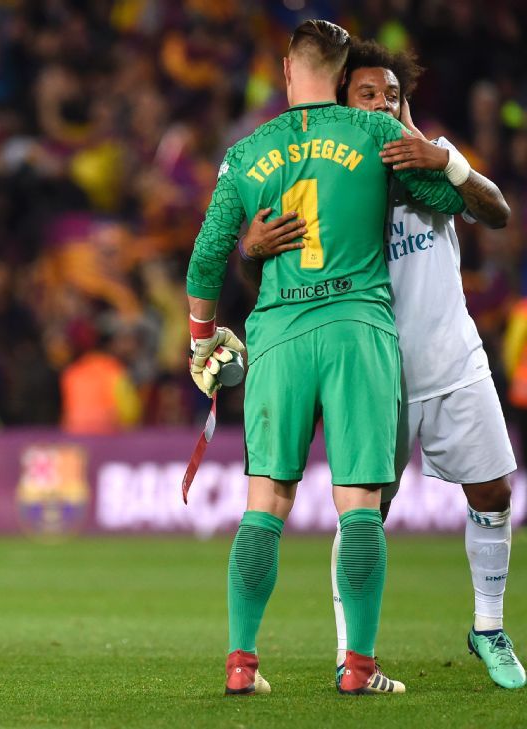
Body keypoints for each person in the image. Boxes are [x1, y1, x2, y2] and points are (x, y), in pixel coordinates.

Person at [185, 20, 465, 695]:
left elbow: (205, 258)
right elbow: (447, 199)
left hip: (279, 334)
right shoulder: (374, 132)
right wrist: (445, 163)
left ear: (289, 69)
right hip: (357, 329)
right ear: (343, 78)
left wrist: (201, 339)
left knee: (266, 501)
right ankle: (358, 667)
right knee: (359, 503)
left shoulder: (247, 152)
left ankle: (242, 664)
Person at [240, 39, 524, 690]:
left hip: (452, 357)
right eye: (367, 94)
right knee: (365, 511)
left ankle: (487, 626)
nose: (382, 105)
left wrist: (448, 160)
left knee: (494, 493)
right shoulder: (323, 176)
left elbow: (498, 211)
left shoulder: (431, 161)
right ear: (342, 103)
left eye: (393, 96)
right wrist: (253, 244)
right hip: (372, 373)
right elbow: (267, 259)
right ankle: (352, 655)